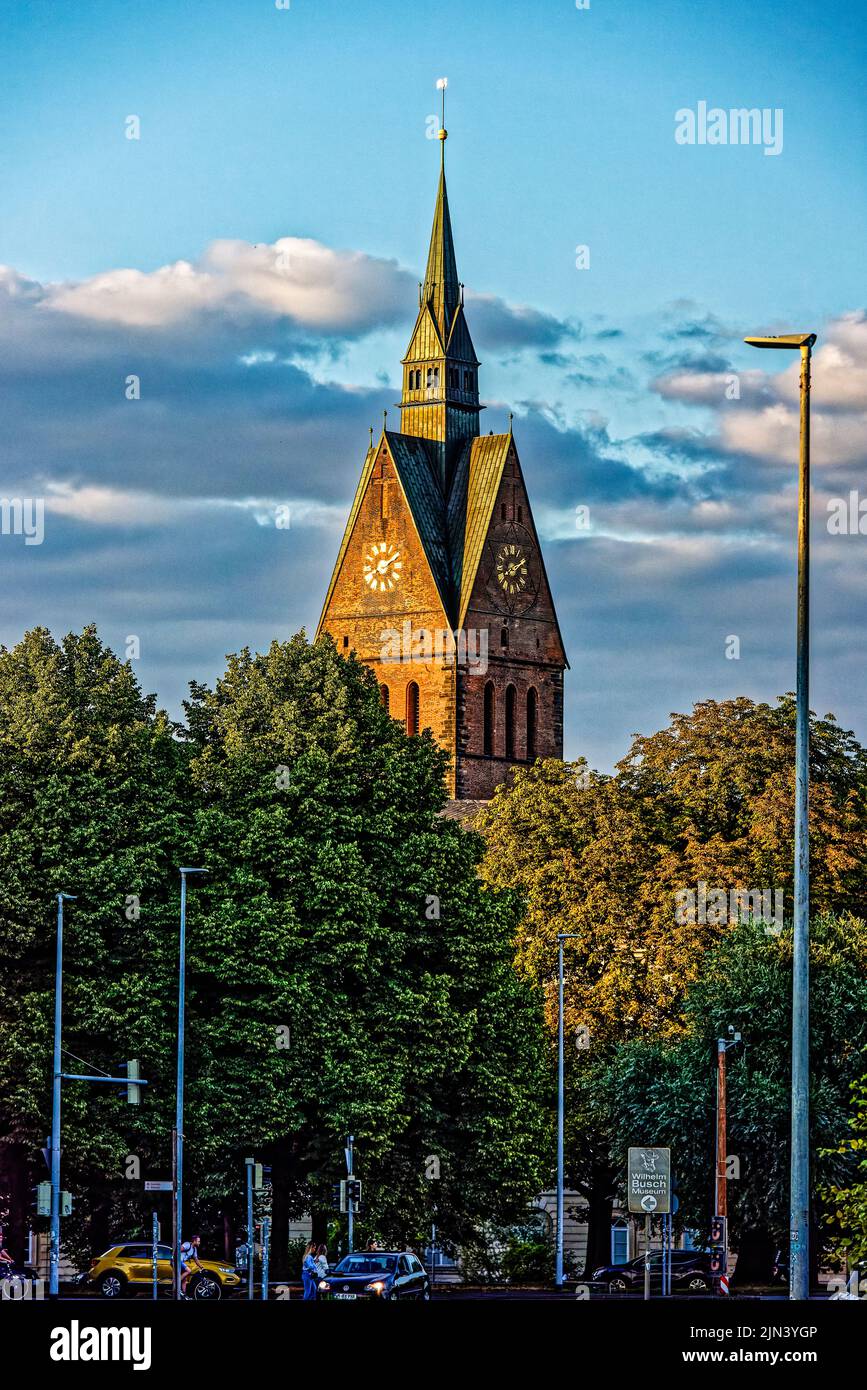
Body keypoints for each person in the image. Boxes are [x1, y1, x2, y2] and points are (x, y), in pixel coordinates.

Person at [179, 1234, 203, 1298]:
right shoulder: (187, 1244)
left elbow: (196, 1259)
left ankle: (184, 1294)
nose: (199, 1243)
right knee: (189, 1270)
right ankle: (176, 1282)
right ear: (194, 1241)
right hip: (177, 1261)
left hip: (181, 1262)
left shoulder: (194, 1249)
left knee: (184, 1279)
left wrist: (201, 1267)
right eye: (198, 1241)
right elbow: (178, 1250)